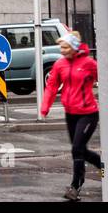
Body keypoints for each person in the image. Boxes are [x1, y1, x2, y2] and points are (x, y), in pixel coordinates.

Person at [41, 30, 102, 201]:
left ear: (74, 47)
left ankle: (75, 186)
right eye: (61, 47)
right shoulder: (60, 64)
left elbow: (105, 77)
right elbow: (52, 86)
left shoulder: (89, 63)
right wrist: (45, 107)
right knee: (80, 149)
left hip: (88, 113)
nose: (62, 50)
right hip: (70, 113)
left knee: (77, 148)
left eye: (66, 47)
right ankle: (104, 167)